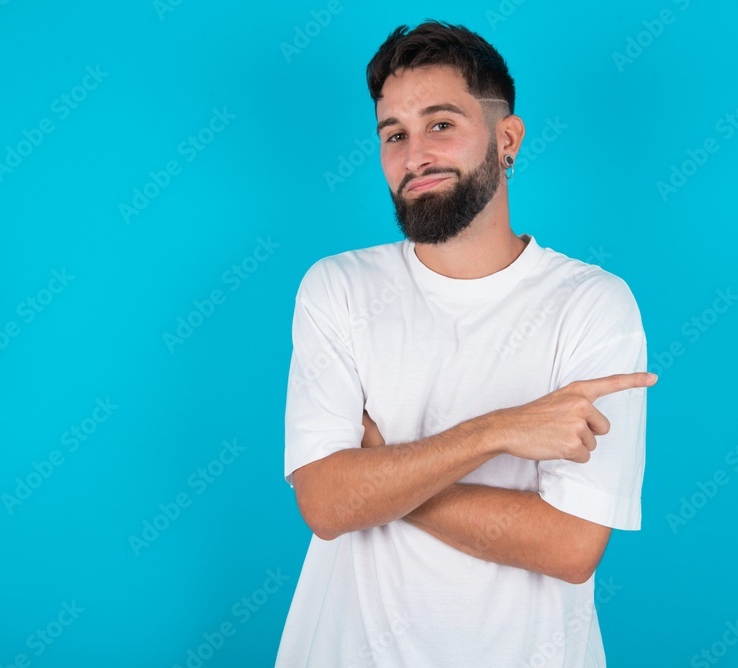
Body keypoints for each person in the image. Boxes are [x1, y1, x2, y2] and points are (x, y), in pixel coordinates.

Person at [276, 19, 656, 668]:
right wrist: (497, 432)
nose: (414, 154)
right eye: (393, 133)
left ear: (507, 139)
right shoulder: (336, 287)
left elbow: (569, 548)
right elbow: (327, 502)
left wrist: (384, 472)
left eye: (441, 124)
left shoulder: (593, 305)